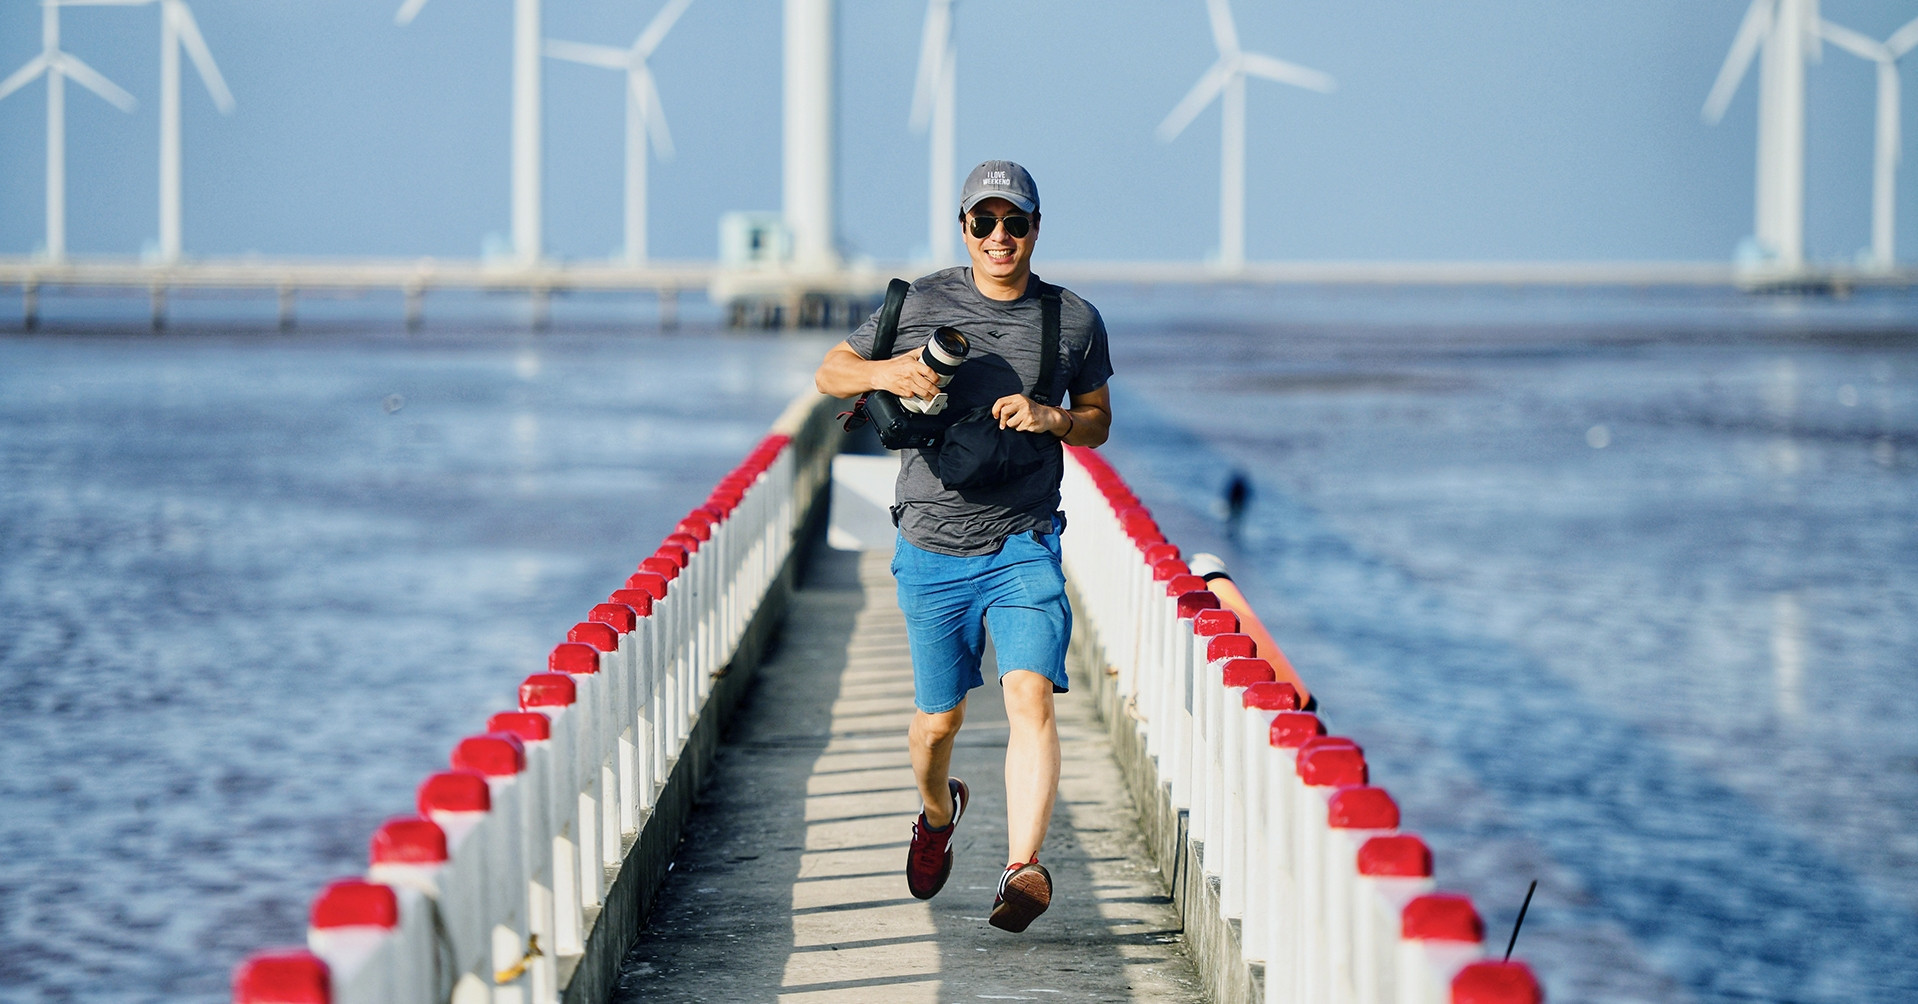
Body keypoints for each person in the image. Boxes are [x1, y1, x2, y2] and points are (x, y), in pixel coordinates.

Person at [813, 160, 1113, 933]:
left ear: (1036, 229)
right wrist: (894, 372)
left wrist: (1054, 421)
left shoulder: (1072, 319)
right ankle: (936, 814)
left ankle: (1022, 867)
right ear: (965, 228)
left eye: (1015, 222)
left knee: (1029, 695)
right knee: (937, 725)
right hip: (931, 545)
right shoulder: (919, 301)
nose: (1000, 236)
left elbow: (1098, 419)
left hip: (1025, 539)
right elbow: (830, 372)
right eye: (986, 222)